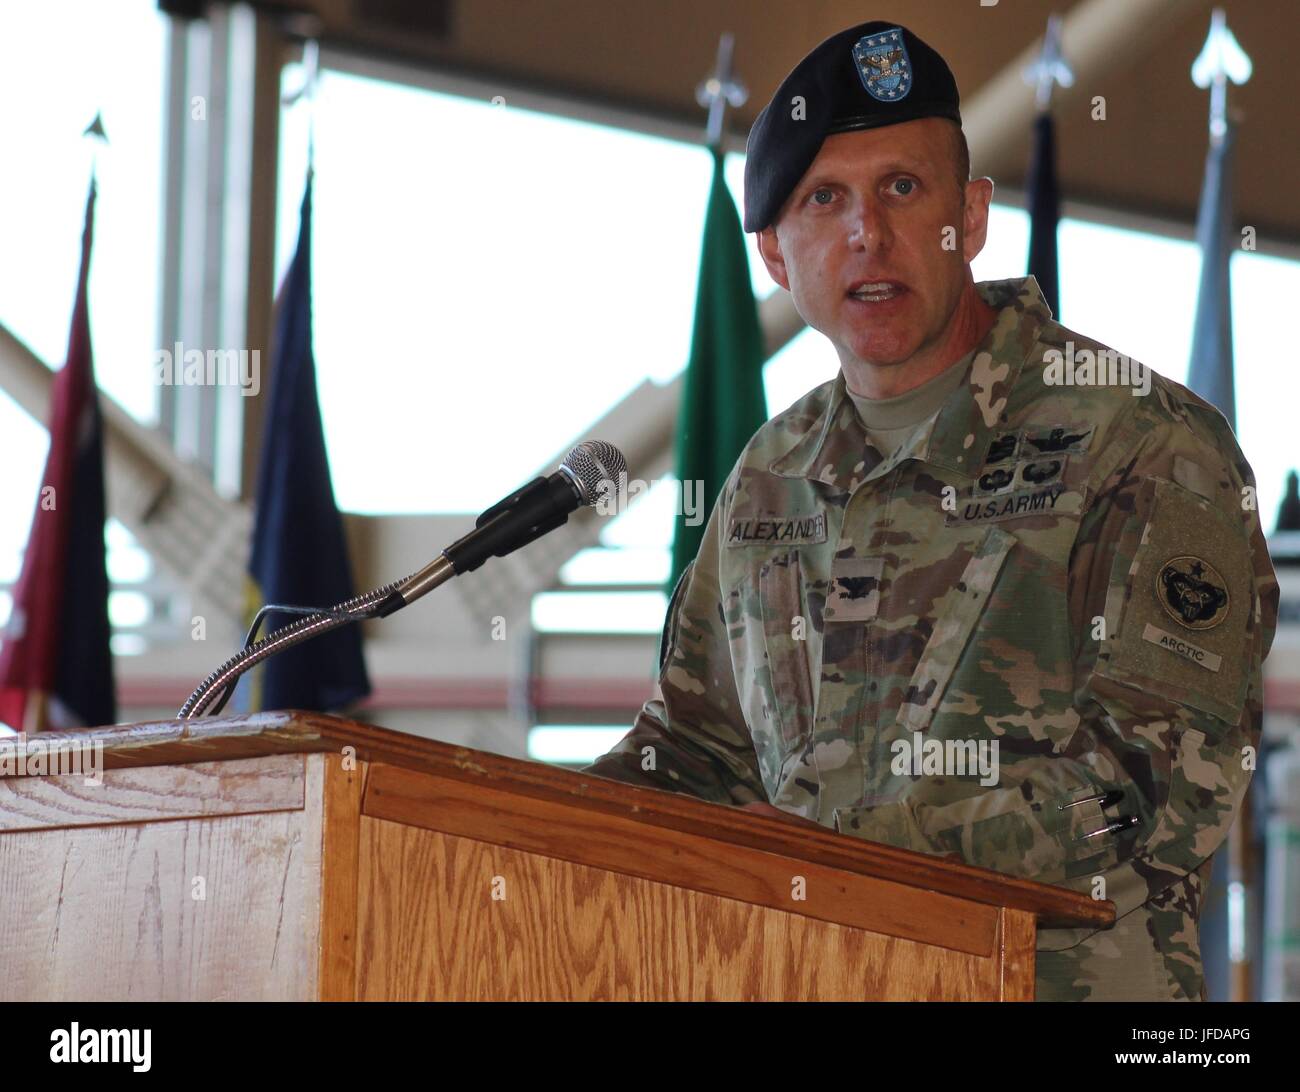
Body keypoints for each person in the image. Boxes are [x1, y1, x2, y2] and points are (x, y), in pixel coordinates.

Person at [583, 20, 1279, 1002]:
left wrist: (846, 852)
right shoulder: (768, 477)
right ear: (777, 258)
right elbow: (694, 753)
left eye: (902, 189)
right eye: (826, 200)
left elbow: (1153, 796)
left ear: (973, 214)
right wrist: (518, 818)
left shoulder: (1146, 445)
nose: (868, 232)